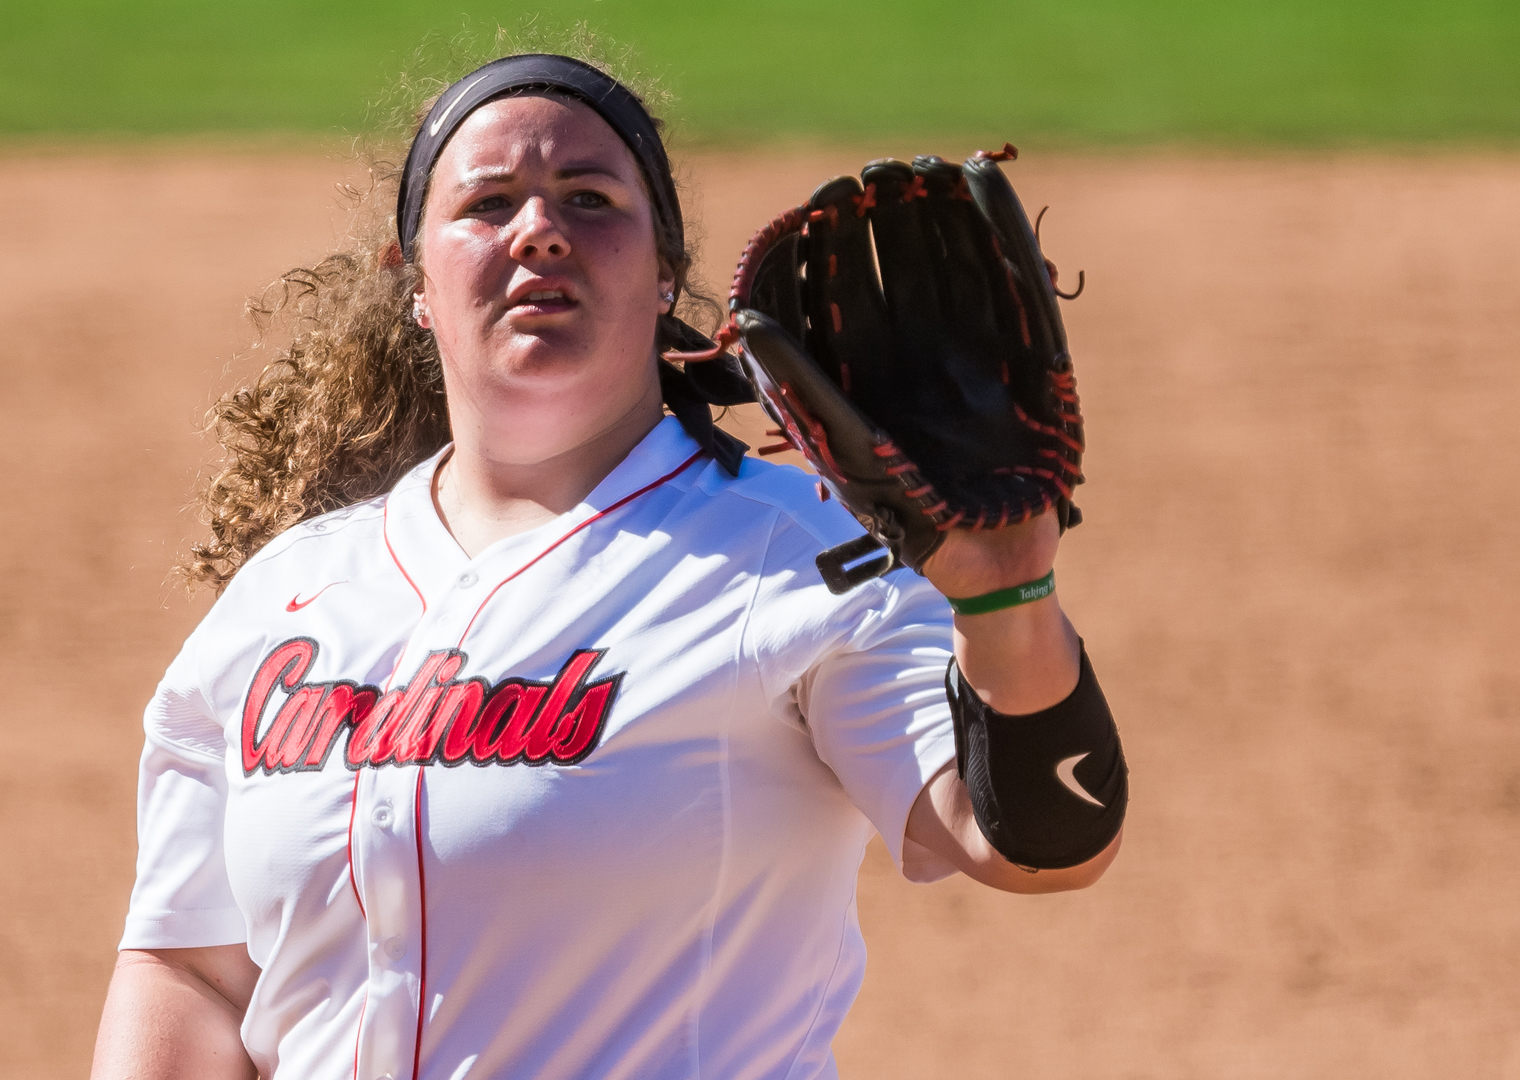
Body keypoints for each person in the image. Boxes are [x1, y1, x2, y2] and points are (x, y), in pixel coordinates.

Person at [90, 53, 1125, 1080]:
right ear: (412, 284)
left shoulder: (796, 554)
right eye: (488, 203)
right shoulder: (284, 597)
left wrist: (1008, 602)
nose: (538, 230)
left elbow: (1036, 839)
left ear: (665, 270)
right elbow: (196, 974)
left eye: (588, 199)